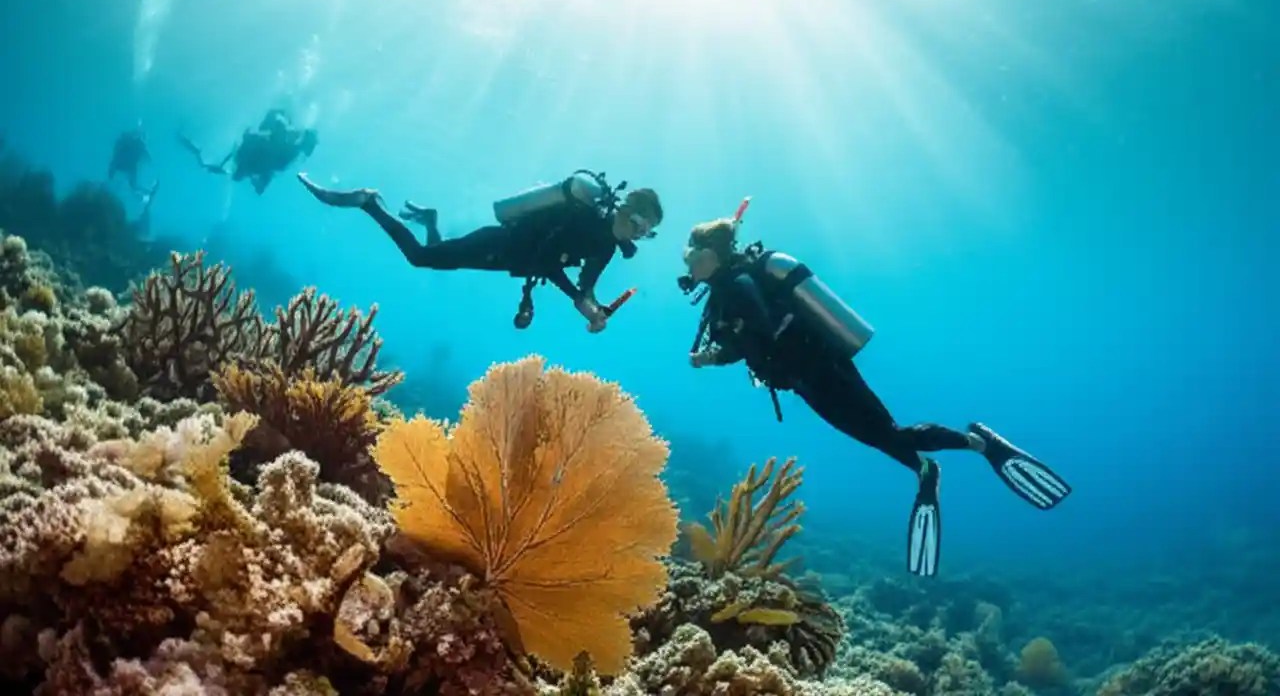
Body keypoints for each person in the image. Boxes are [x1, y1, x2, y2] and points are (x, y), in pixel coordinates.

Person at [680, 215, 1072, 577]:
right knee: (876, 434)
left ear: (713, 254)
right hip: (805, 380)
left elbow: (759, 334)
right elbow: (746, 343)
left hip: (820, 370)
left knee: (885, 432)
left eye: (693, 253)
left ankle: (975, 443)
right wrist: (714, 356)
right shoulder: (723, 293)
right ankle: (927, 466)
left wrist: (729, 342)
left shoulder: (739, 286)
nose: (688, 262)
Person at [297, 169, 663, 332]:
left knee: (438, 259)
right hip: (500, 244)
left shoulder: (608, 247)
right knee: (421, 259)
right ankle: (369, 202)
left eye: (646, 233)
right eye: (638, 225)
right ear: (626, 211)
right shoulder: (586, 219)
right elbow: (551, 264)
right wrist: (579, 300)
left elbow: (586, 286)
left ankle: (429, 220)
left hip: (509, 261)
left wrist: (595, 311)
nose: (637, 235)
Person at [179, 109, 318, 194]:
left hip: (250, 160)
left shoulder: (290, 151)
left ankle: (189, 144)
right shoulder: (288, 143)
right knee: (213, 166)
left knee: (212, 166)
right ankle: (189, 142)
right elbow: (269, 164)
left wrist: (260, 181)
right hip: (249, 157)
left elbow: (270, 169)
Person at [108, 127, 151, 194]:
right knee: (132, 184)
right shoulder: (137, 144)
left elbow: (147, 157)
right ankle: (111, 186)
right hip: (124, 165)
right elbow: (148, 157)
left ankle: (140, 192)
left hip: (125, 165)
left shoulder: (138, 144)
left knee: (132, 184)